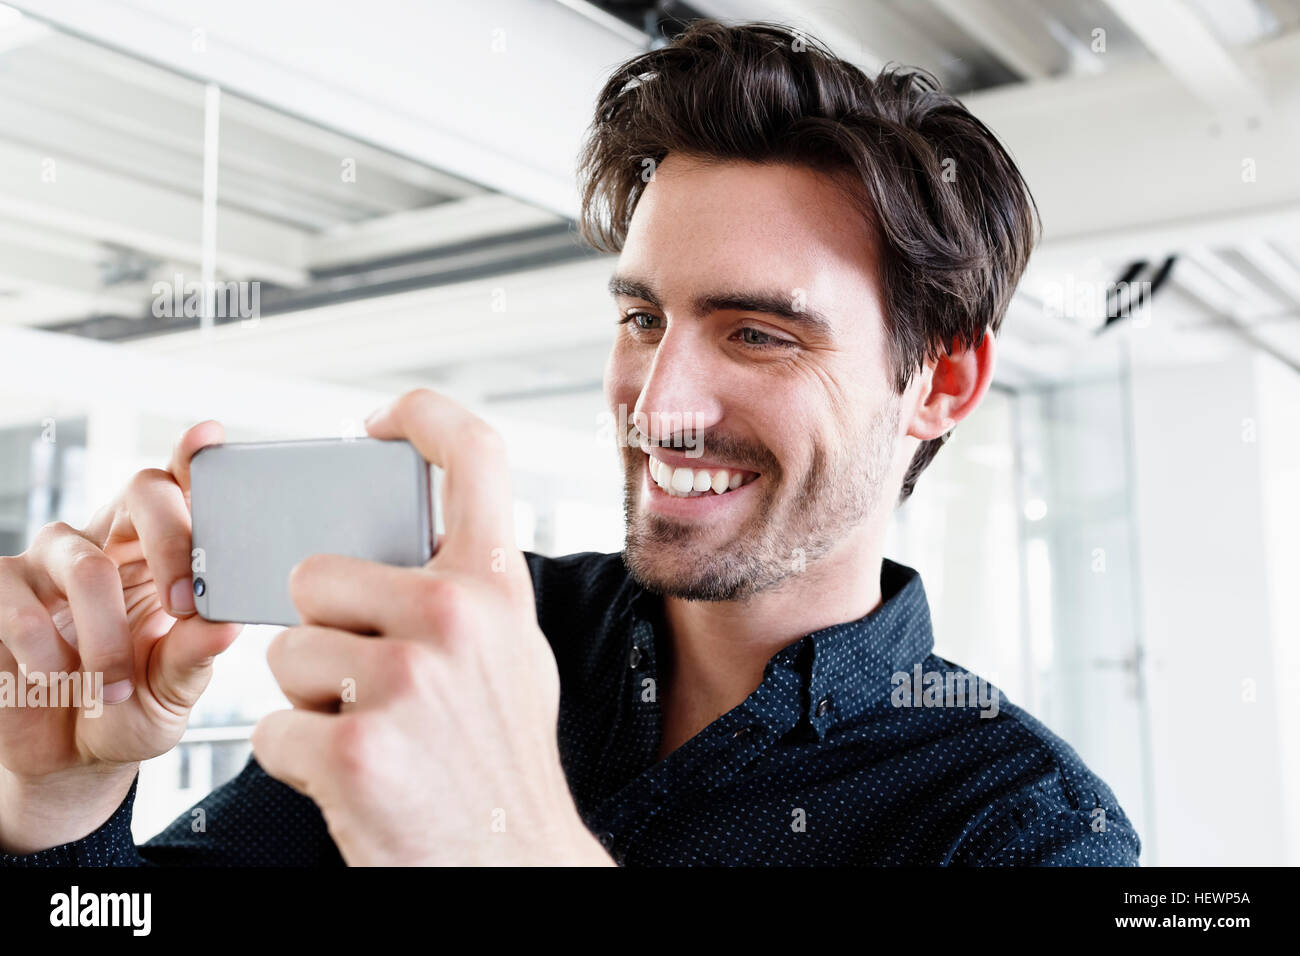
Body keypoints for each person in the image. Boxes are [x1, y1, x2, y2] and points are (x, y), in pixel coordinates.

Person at [0, 19, 1139, 866]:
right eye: (643, 317)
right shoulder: (466, 631)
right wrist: (63, 807)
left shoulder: (1023, 825)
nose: (658, 405)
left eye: (755, 331)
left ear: (940, 380)